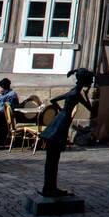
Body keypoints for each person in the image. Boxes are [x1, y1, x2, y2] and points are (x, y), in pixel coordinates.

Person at [39, 68, 94, 198]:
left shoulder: (73, 91)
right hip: (61, 125)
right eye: (90, 80)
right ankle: (50, 188)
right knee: (53, 159)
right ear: (85, 81)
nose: (92, 82)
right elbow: (90, 108)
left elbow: (53, 100)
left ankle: (49, 187)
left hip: (59, 120)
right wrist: (85, 96)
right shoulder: (76, 94)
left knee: (51, 160)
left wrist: (62, 111)